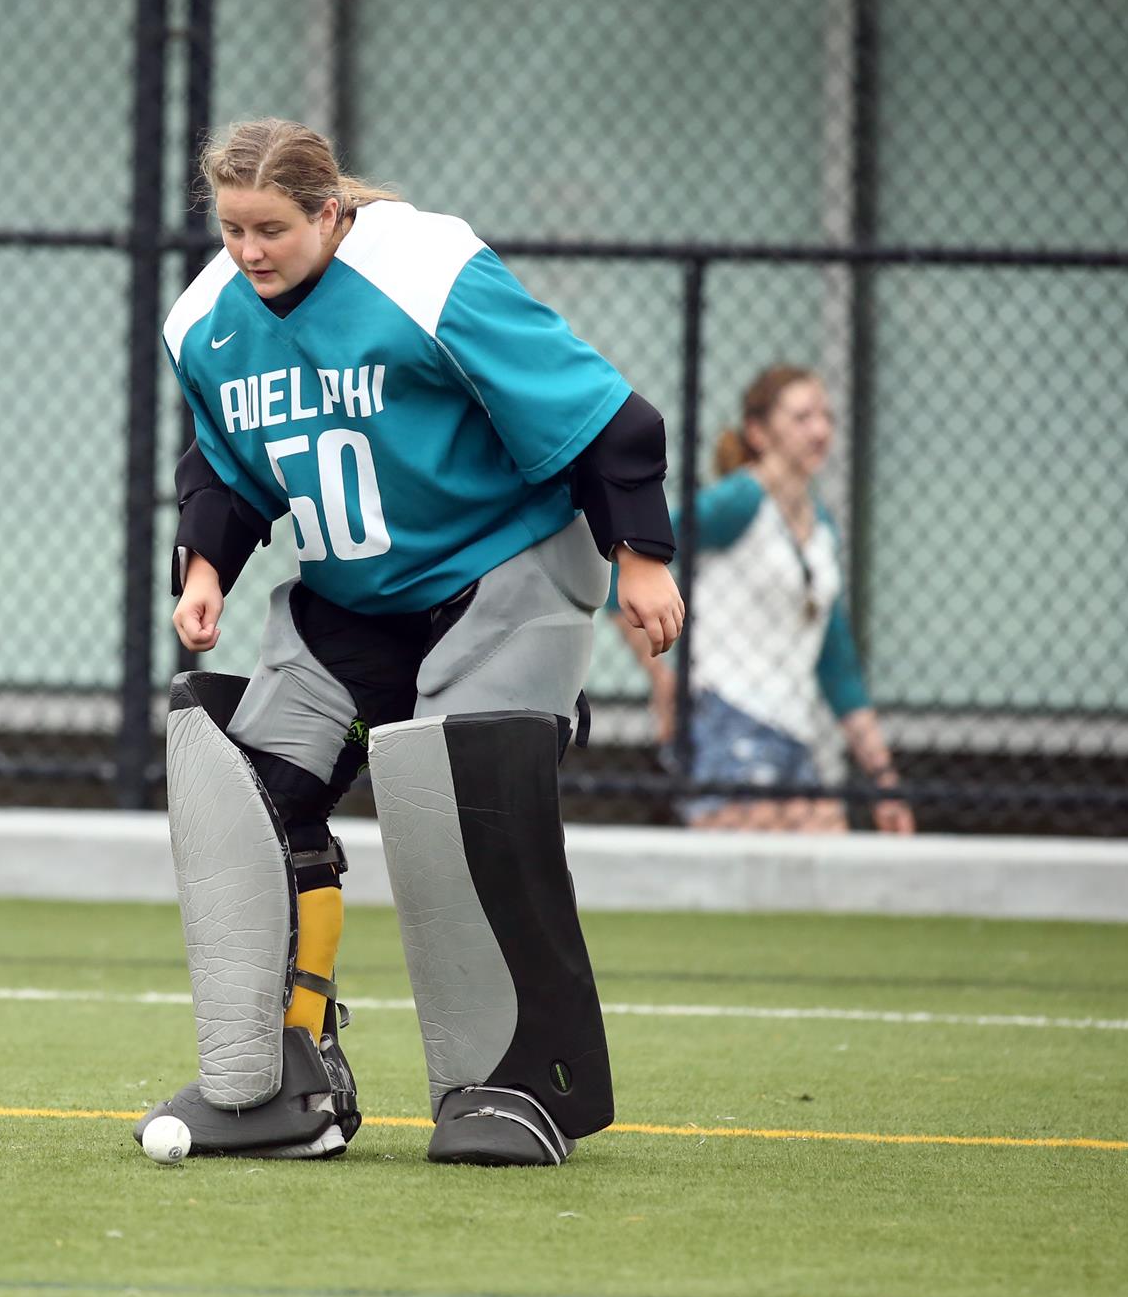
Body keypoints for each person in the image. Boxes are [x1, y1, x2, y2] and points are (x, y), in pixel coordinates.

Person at [137, 119, 684, 1168]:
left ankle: (512, 1086)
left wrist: (641, 556)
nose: (249, 251)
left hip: (502, 569)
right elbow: (224, 466)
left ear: (330, 212)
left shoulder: (426, 270)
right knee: (250, 798)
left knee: (453, 794)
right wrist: (203, 569)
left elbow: (591, 408)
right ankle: (276, 1081)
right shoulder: (205, 320)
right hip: (352, 600)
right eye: (232, 229)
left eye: (272, 229)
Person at [614, 365, 913, 834]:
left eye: (826, 417)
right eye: (802, 417)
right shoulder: (741, 502)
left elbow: (836, 663)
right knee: (752, 853)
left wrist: (882, 777)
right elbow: (630, 554)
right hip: (728, 715)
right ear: (758, 432)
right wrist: (661, 678)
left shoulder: (822, 528)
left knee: (828, 844)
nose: (820, 430)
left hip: (794, 731)